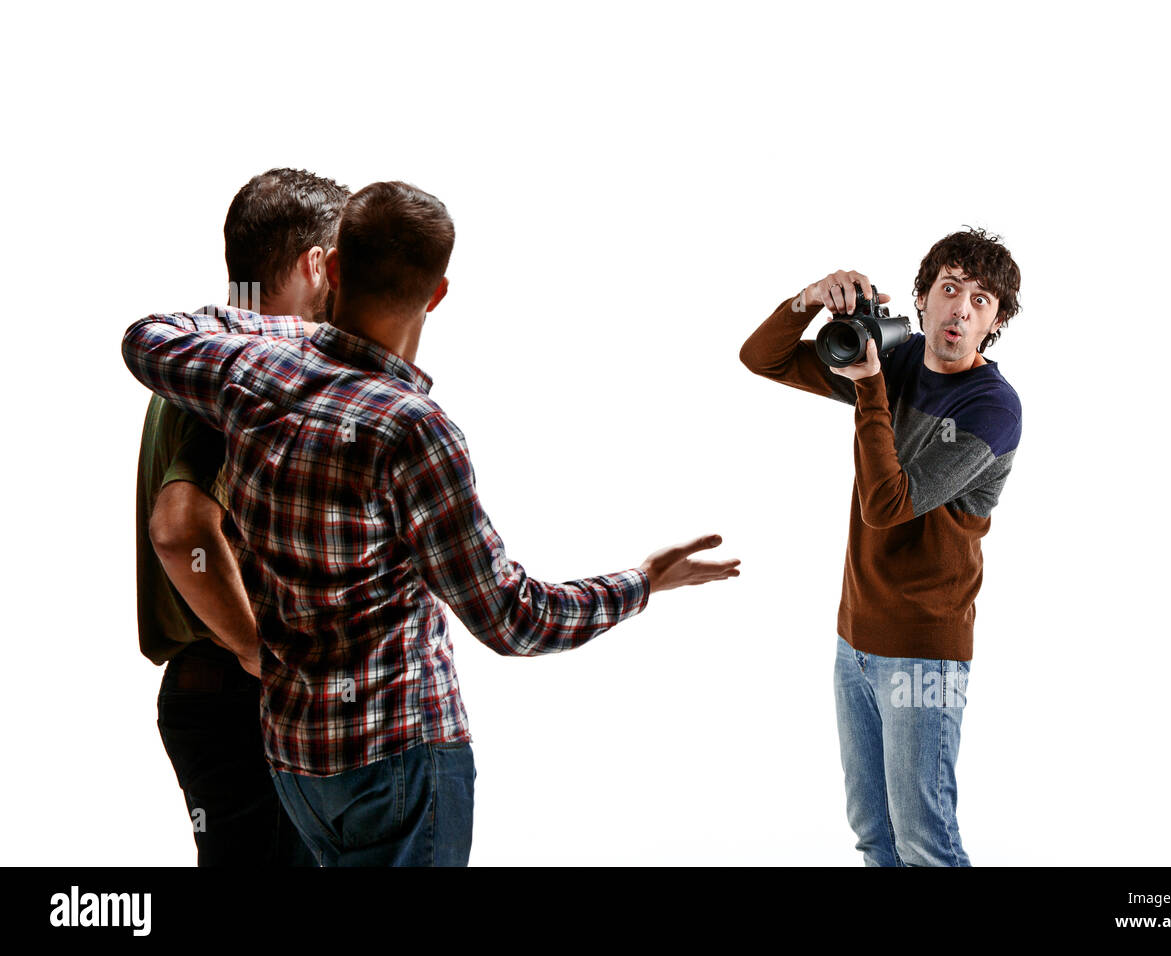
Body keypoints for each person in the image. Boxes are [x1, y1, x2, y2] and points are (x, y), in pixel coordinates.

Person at [122, 180, 740, 866]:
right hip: (398, 757)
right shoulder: (412, 430)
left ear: (332, 269)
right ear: (438, 293)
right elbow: (513, 620)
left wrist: (288, 339)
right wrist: (645, 581)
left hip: (298, 761)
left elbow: (146, 337)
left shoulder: (252, 374)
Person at [738, 227, 1022, 866]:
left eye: (980, 301)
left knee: (927, 844)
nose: (960, 310)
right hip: (854, 641)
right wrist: (809, 301)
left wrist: (868, 387)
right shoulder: (891, 356)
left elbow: (887, 505)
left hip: (925, 655)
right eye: (950, 289)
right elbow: (762, 358)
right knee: (875, 839)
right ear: (921, 299)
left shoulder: (993, 409)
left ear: (995, 320)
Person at [138, 167, 349, 866]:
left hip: (219, 697)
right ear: (318, 265)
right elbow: (180, 530)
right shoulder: (247, 371)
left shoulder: (201, 361)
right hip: (238, 700)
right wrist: (256, 648)